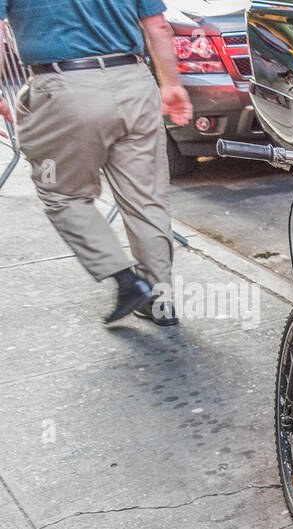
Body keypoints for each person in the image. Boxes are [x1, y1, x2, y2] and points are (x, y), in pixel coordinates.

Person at [0, 0, 192, 325]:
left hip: (63, 91)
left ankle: (128, 283)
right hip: (134, 83)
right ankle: (161, 301)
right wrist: (171, 84)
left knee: (62, 194)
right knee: (147, 199)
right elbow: (158, 25)